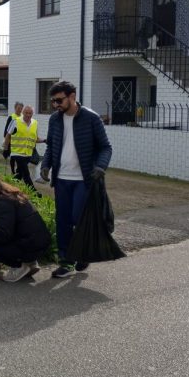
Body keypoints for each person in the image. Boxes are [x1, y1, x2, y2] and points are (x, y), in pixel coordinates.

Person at [40, 80, 112, 278]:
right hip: (61, 179)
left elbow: (106, 147)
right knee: (62, 221)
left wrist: (100, 167)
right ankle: (66, 262)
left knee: (78, 219)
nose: (56, 105)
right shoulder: (55, 119)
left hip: (83, 180)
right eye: (53, 101)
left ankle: (83, 253)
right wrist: (46, 165)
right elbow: (51, 146)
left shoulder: (91, 118)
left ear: (72, 96)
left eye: (59, 100)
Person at [0, 177, 51, 282]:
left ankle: (19, 265)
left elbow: (3, 236)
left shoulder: (1, 203)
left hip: (31, 246)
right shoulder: (13, 195)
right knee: (14, 238)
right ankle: (30, 262)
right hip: (40, 243)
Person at [3, 105, 45, 193]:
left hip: (28, 154)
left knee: (19, 175)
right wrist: (6, 149)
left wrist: (44, 140)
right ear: (23, 113)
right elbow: (7, 135)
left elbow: (35, 139)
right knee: (26, 174)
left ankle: (8, 189)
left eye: (30, 113)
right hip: (17, 153)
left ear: (32, 114)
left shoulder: (35, 123)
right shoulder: (15, 121)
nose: (28, 115)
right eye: (26, 113)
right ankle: (34, 192)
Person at [3, 101, 24, 174]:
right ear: (15, 108)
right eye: (18, 108)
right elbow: (6, 131)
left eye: (21, 108)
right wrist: (6, 143)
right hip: (12, 141)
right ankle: (12, 171)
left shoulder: (22, 117)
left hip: (20, 141)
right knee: (13, 157)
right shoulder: (11, 117)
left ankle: (18, 171)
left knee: (19, 157)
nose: (20, 110)